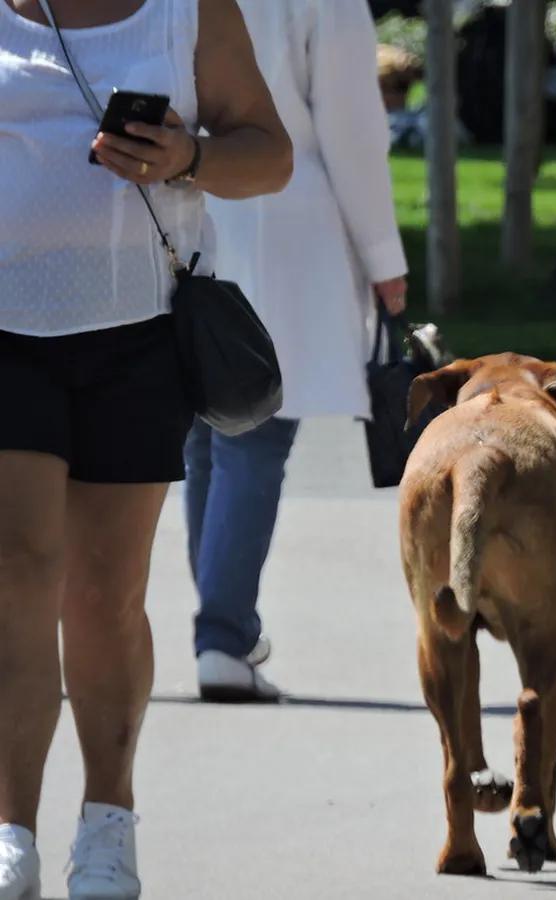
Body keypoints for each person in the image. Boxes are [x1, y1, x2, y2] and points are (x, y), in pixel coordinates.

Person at [0, 0, 291, 896]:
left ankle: (107, 820)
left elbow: (269, 154)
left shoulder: (188, 10)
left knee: (104, 592)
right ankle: (10, 830)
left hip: (137, 335)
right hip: (6, 334)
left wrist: (190, 155)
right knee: (16, 573)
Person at [185, 0, 410, 703]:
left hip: (189, 201)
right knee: (253, 440)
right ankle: (224, 634)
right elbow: (351, 129)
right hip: (286, 211)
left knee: (206, 436)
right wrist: (384, 254)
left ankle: (226, 631)